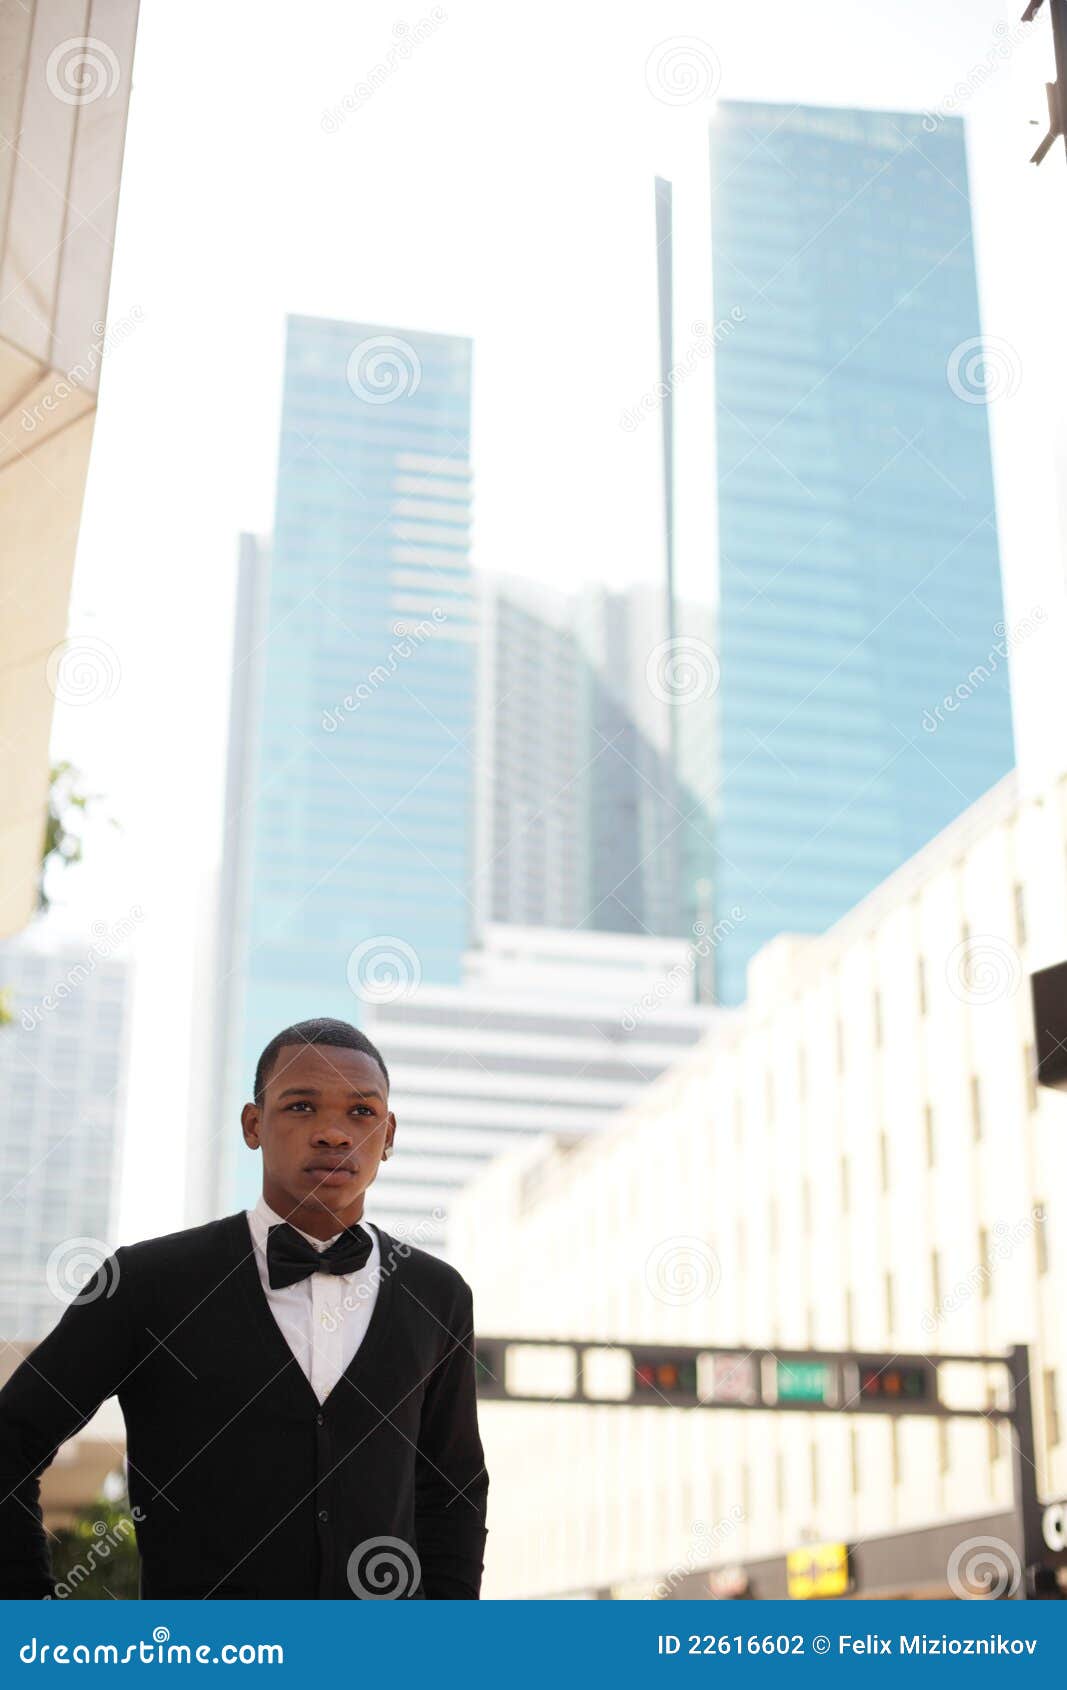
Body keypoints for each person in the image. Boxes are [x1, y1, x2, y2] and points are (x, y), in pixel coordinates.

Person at [0, 1018, 489, 1599]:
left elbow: (452, 1489)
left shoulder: (438, 1294)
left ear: (388, 1135)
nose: (334, 1133)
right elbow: (11, 1442)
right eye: (302, 1106)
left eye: (361, 1112)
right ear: (253, 1126)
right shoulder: (147, 1282)